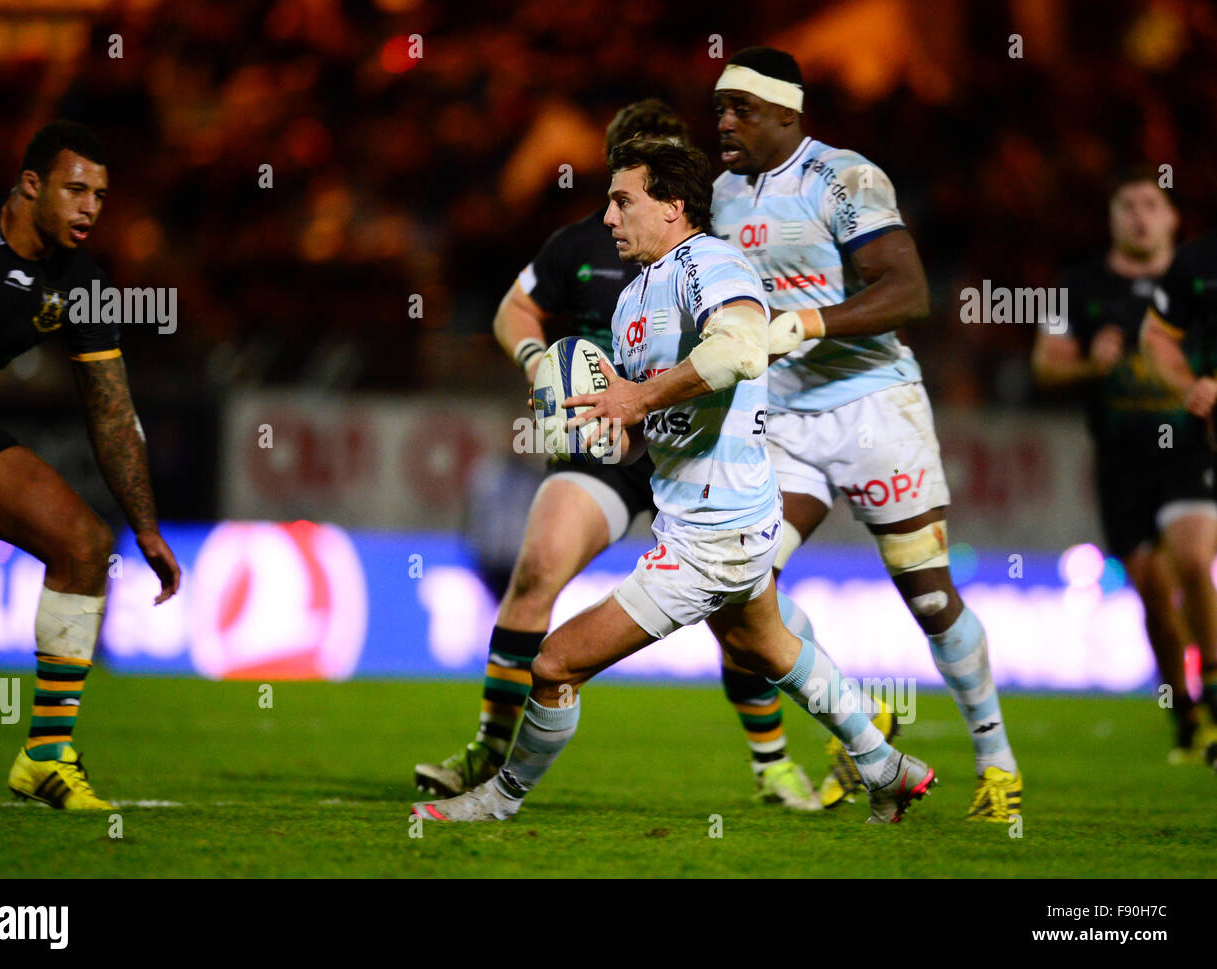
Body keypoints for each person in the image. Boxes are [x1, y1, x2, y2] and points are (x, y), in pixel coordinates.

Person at [412, 140, 936, 825]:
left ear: (674, 206)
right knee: (766, 645)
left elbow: (742, 348)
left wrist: (634, 401)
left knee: (554, 663)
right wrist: (604, 425)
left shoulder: (710, 263)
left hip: (712, 535)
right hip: (718, 518)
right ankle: (889, 768)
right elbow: (652, 415)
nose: (608, 216)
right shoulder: (634, 300)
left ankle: (496, 798)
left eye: (623, 200)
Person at [710, 47, 1020, 821]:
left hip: (874, 406)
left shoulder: (843, 179)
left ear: (788, 113)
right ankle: (869, 723)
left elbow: (909, 290)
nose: (723, 121)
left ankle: (995, 760)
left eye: (740, 108)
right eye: (718, 106)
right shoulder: (717, 194)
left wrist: (810, 320)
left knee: (928, 595)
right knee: (740, 591)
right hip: (781, 420)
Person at [0, 120, 181, 809]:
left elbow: (111, 410)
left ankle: (45, 756)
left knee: (85, 544)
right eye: (75, 189)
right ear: (30, 186)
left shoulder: (81, 281)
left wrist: (145, 526)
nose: (91, 206)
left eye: (99, 193)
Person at [1035, 173, 1217, 762]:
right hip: (1120, 460)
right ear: (1112, 218)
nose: (1139, 216)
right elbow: (1046, 367)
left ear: (1172, 219)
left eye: (1151, 205)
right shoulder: (1079, 285)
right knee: (1152, 590)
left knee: (1192, 560)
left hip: (1190, 449)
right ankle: (1183, 710)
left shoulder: (1195, 277)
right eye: (1127, 206)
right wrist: (1091, 365)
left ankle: (1212, 693)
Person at [1139, 229, 1217, 762]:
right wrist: (1189, 385)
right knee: (1186, 559)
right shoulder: (1198, 260)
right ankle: (1209, 694)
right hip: (1199, 444)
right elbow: (1156, 336)